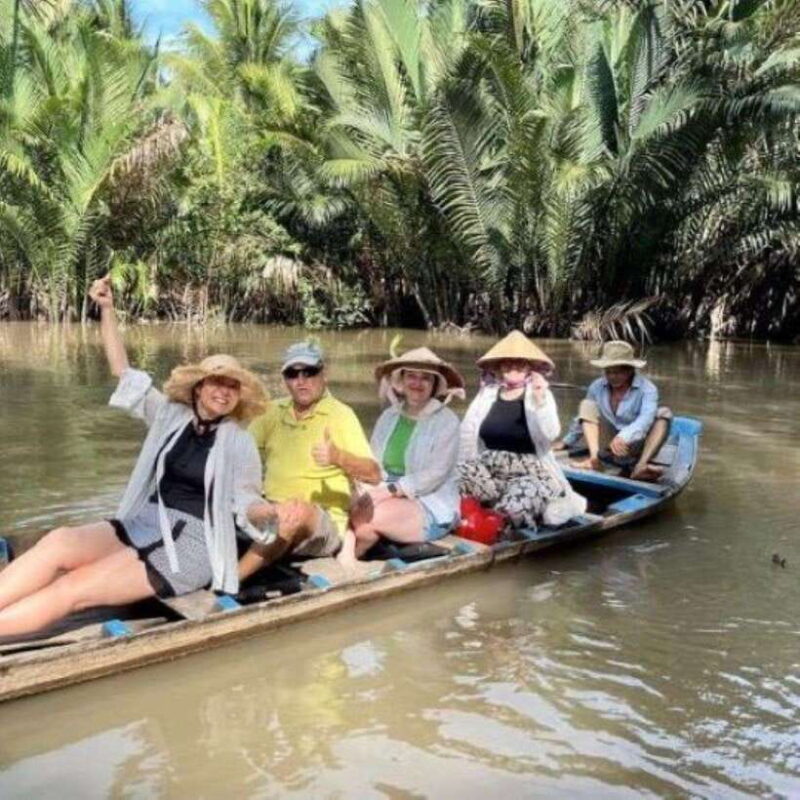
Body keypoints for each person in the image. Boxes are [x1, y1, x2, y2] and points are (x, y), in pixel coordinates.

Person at [0, 277, 276, 638]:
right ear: (199, 387)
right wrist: (108, 310)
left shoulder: (238, 443)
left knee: (74, 589)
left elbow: (246, 500)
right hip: (145, 521)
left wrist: (265, 513)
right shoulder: (171, 417)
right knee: (59, 541)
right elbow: (123, 373)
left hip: (190, 547)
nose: (223, 392)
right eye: (216, 383)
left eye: (231, 387)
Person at [239, 341, 381, 578]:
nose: (301, 380)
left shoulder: (341, 414)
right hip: (273, 507)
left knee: (295, 512)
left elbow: (374, 474)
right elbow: (240, 453)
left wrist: (338, 456)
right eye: (293, 374)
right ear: (285, 379)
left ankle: (231, 580)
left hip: (321, 524)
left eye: (309, 372)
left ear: (323, 374)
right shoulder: (271, 412)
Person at [337, 347, 465, 567]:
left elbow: (435, 474)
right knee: (342, 497)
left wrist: (389, 491)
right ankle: (359, 544)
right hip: (384, 490)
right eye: (411, 376)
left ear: (434, 385)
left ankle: (352, 555)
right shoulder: (389, 416)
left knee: (369, 515)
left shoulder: (447, 421)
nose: (417, 383)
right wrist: (365, 485)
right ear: (401, 380)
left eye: (425, 378)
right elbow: (374, 462)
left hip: (428, 500)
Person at [458, 331, 586, 531]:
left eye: (520, 362)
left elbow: (551, 433)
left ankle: (495, 525)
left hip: (530, 474)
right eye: (507, 362)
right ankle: (460, 516)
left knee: (515, 505)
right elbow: (466, 434)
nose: (513, 366)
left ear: (529, 368)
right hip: (490, 470)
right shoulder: (487, 395)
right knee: (456, 473)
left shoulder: (540, 394)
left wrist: (540, 398)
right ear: (499, 367)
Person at [557, 340, 672, 481]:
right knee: (587, 405)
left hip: (635, 445)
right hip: (606, 444)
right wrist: (566, 441)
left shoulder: (648, 389)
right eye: (608, 372)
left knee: (664, 414)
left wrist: (624, 436)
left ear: (630, 370)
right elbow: (583, 418)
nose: (612, 376)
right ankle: (594, 460)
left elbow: (645, 420)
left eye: (617, 372)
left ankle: (640, 466)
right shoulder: (597, 386)